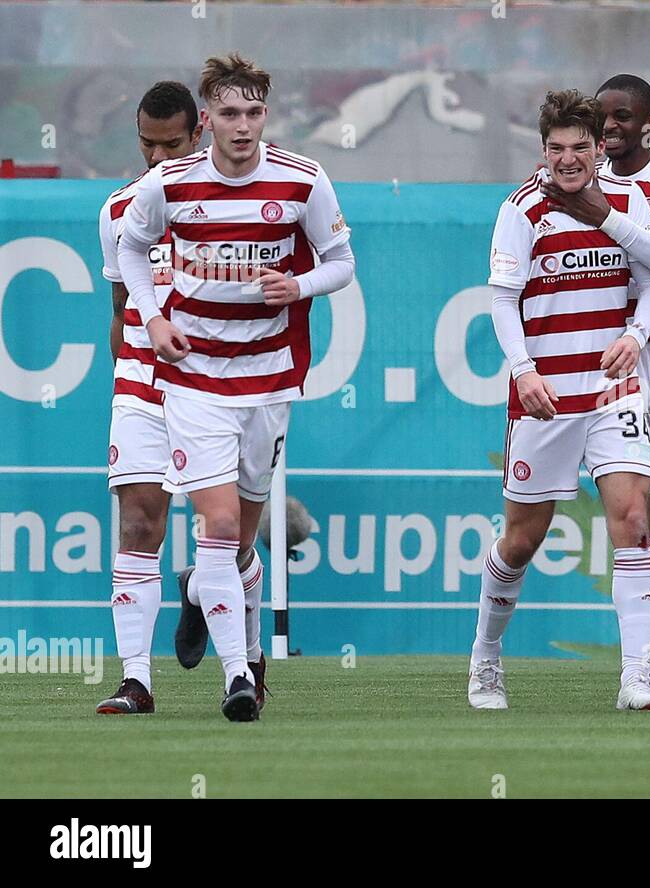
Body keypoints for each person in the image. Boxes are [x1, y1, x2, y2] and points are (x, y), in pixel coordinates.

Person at [117, 53, 356, 721]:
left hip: (268, 380)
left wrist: (300, 284)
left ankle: (207, 605)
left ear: (264, 115)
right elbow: (133, 251)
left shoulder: (304, 181)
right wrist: (156, 316)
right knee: (217, 525)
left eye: (252, 111)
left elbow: (341, 261)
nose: (242, 124)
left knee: (242, 542)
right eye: (229, 112)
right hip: (192, 378)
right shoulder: (169, 184)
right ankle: (238, 678)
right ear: (208, 120)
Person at [468, 89, 650, 711]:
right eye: (555, 148)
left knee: (635, 523)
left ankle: (638, 675)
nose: (567, 159)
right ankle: (486, 659)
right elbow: (503, 299)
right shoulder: (521, 209)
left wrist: (636, 335)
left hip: (614, 391)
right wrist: (525, 372)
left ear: (597, 146)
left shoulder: (627, 201)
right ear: (543, 150)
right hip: (545, 398)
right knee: (522, 540)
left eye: (579, 147)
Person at [540, 73, 650, 707]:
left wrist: (605, 218)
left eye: (622, 117)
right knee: (631, 513)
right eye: (601, 118)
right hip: (605, 359)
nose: (609, 127)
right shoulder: (571, 182)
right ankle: (648, 666)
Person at [95, 81, 204, 716]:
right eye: (147, 145)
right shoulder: (119, 210)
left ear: (200, 135)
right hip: (142, 384)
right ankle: (137, 680)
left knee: (231, 542)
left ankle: (200, 592)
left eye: (172, 144)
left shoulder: (231, 206)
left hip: (218, 386)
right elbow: (120, 308)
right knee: (139, 523)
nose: (159, 159)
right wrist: (127, 389)